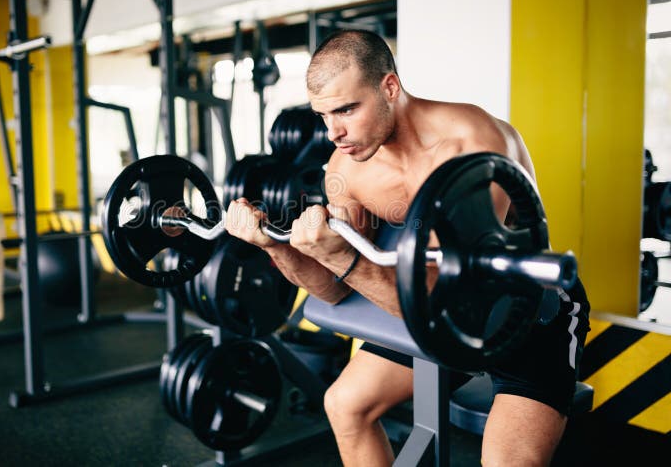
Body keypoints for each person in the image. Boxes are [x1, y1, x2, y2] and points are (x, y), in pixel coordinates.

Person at [224, 29, 590, 467]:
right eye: (324, 116)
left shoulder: (472, 145)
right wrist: (275, 248)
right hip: (436, 312)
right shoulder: (349, 170)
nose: (334, 132)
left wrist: (342, 256)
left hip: (528, 316)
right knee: (345, 405)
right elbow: (335, 290)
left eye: (346, 109)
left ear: (390, 87)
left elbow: (451, 300)